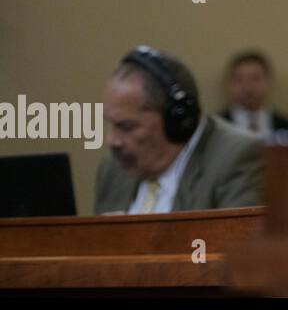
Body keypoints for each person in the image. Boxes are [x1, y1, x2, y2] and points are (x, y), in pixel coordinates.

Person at [96, 46, 262, 214]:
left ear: (177, 121)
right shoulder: (113, 168)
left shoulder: (237, 158)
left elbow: (234, 239)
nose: (112, 140)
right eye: (110, 124)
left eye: (126, 126)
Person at [219, 50, 288, 145]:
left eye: (255, 79)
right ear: (228, 84)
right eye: (239, 80)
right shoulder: (211, 131)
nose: (247, 87)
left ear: (269, 82)